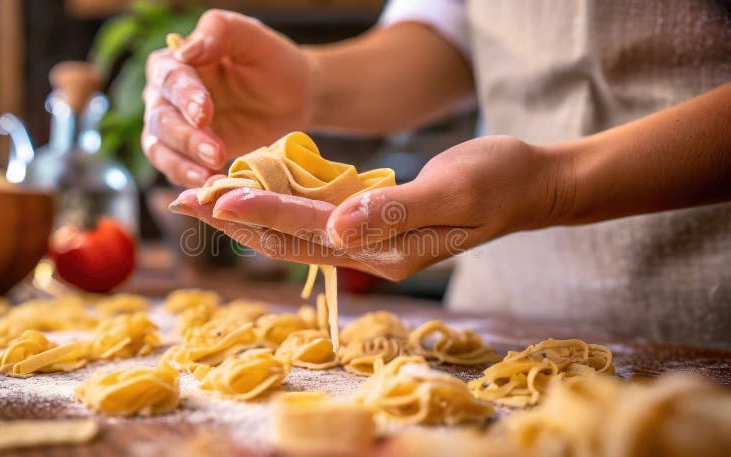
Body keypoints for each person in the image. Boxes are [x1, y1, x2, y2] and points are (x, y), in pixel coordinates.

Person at [143, 1, 731, 347]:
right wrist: (310, 83)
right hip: (497, 327)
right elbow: (455, 33)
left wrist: (556, 187)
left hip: (706, 318)